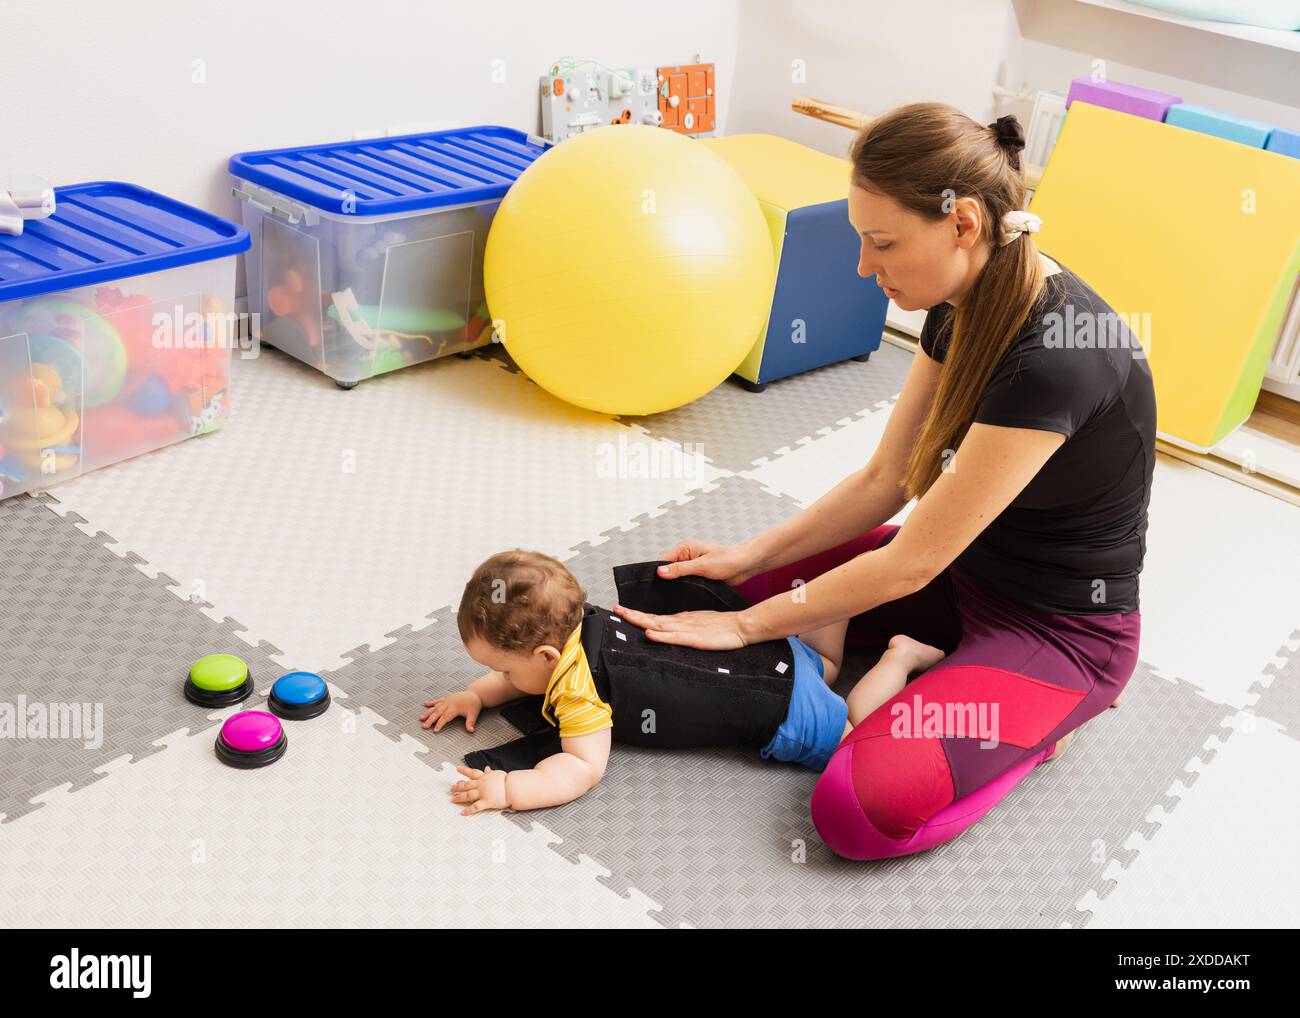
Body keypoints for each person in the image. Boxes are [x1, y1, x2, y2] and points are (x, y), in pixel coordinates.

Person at [610, 103, 1156, 860]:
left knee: (855, 811)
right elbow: (887, 479)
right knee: (679, 594)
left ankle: (1045, 724)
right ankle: (942, 661)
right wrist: (751, 558)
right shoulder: (960, 299)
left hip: (1058, 630)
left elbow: (911, 562)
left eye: (883, 243)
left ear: (962, 224)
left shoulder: (1056, 356)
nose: (865, 268)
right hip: (954, 572)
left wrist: (745, 629)